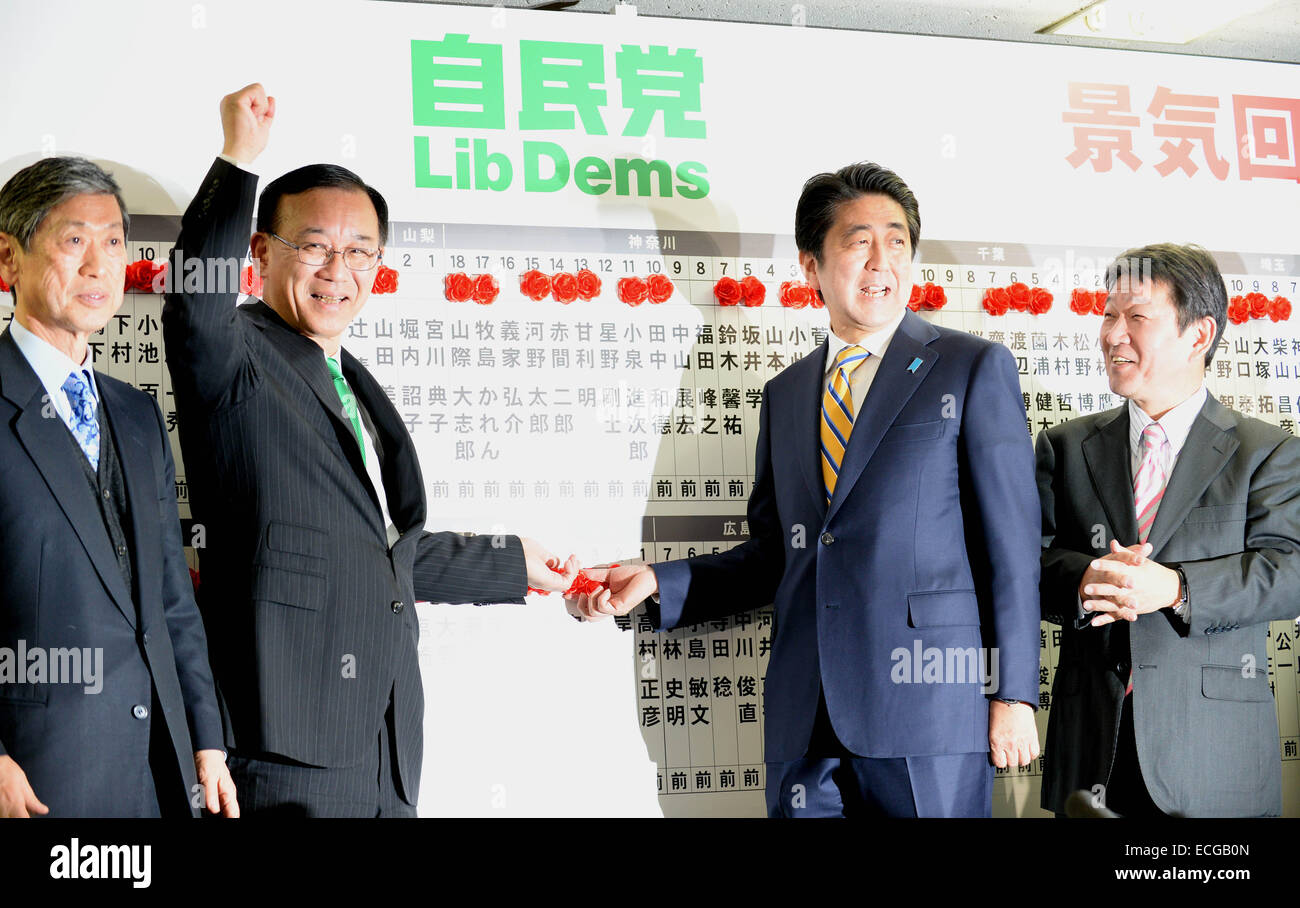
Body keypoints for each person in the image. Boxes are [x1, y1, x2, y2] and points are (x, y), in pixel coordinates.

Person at [574, 162, 1041, 817]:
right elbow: (776, 555)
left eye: (897, 241)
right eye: (858, 243)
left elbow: (1012, 548)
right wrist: (659, 581)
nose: (882, 261)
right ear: (810, 266)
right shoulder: (787, 394)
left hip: (927, 712)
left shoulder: (968, 369)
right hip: (804, 718)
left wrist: (1014, 694)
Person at [162, 84, 577, 816]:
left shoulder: (351, 380)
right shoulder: (233, 360)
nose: (339, 269)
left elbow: (377, 550)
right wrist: (239, 159)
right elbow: (194, 303)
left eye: (360, 252)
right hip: (279, 749)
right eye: (315, 247)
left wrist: (516, 562)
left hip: (386, 746)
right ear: (259, 252)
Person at [0, 157, 237, 817]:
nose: (99, 265)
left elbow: (170, 596)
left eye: (113, 243)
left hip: (160, 771)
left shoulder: (134, 414)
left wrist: (206, 739)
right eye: (74, 240)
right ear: (8, 257)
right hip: (36, 773)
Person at [1037, 243, 1300, 817]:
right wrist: (1087, 580)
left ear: (1198, 334)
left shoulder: (1268, 453)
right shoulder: (1065, 446)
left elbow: (1289, 572)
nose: (1112, 334)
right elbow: (1028, 564)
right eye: (1108, 315)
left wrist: (1176, 589)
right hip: (1092, 752)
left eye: (1136, 317)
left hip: (1214, 756)